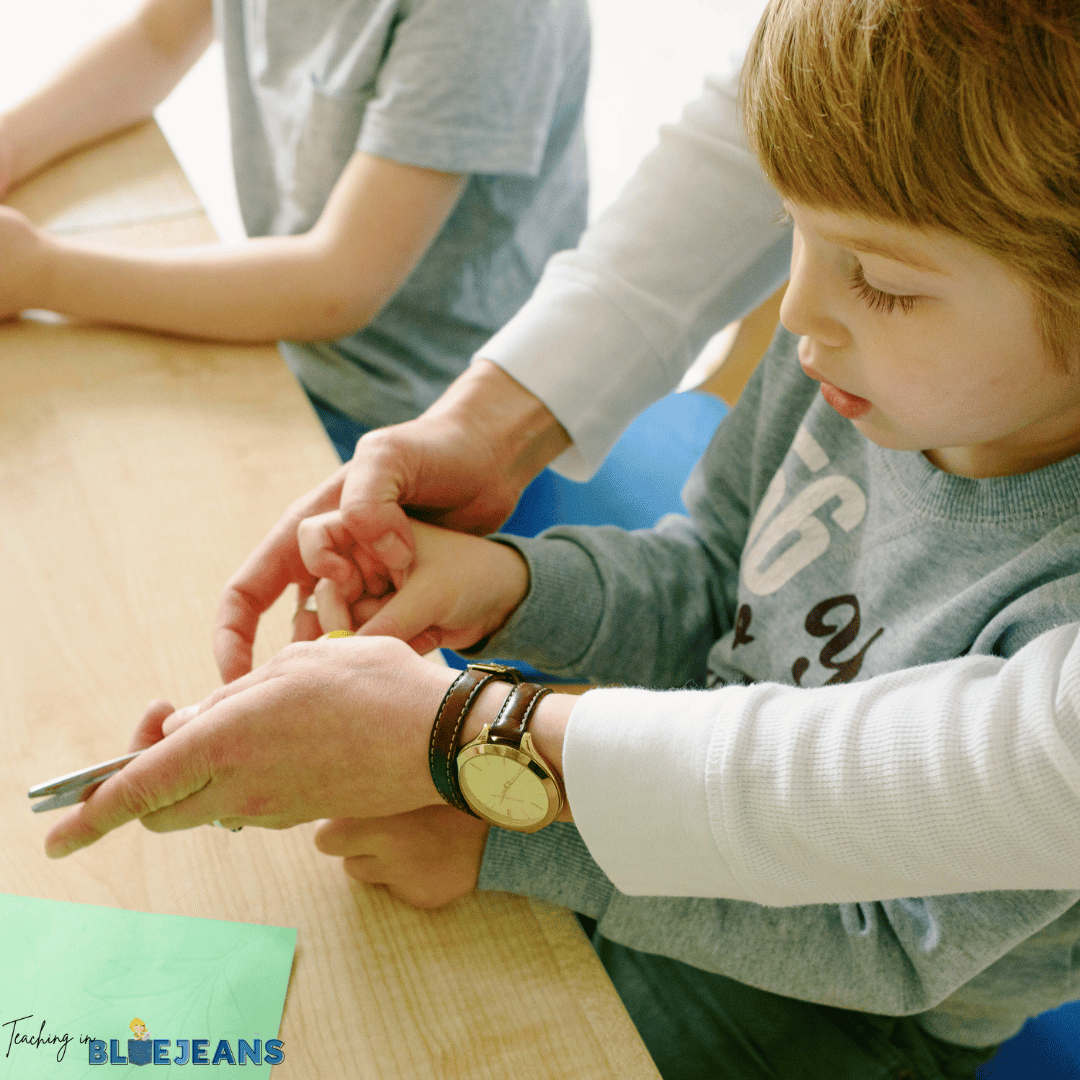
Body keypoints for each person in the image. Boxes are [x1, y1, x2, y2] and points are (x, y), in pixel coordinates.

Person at [43, 2, 1080, 1076]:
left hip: (830, 1015)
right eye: (791, 233)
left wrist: (511, 837)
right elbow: (712, 583)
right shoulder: (859, 372)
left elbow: (889, 949)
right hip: (638, 850)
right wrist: (503, 587)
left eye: (887, 282)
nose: (800, 310)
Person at [0, 0, 589, 460]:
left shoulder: (485, 16)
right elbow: (156, 39)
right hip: (297, 317)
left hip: (411, 402)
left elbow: (339, 286)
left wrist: (41, 274)